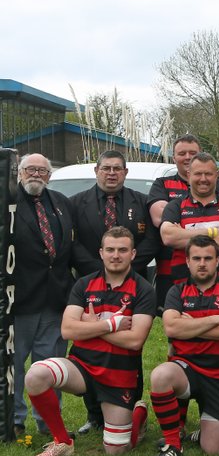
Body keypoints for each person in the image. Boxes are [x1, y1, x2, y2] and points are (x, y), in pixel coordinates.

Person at [25, 227, 156, 456]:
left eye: (123, 250)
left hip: (119, 375)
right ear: (101, 252)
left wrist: (90, 326)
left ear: (133, 254)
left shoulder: (144, 289)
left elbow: (135, 340)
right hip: (82, 367)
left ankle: (139, 415)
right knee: (36, 375)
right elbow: (67, 330)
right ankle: (62, 442)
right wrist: (111, 325)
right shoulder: (84, 285)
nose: (116, 255)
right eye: (110, 250)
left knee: (116, 451)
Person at [70, 149, 160, 435]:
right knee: (89, 349)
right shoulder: (76, 203)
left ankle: (132, 406)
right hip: (89, 282)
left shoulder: (142, 202)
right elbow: (72, 243)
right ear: (96, 171)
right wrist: (102, 267)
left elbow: (152, 241)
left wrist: (127, 263)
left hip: (132, 283)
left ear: (125, 173)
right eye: (106, 168)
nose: (111, 173)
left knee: (129, 347)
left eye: (117, 169)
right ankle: (94, 415)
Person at [149, 236, 219, 456]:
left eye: (208, 258)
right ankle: (173, 445)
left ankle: (204, 430)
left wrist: (192, 326)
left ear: (217, 261)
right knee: (160, 375)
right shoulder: (176, 291)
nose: (202, 263)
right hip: (187, 370)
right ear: (187, 261)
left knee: (213, 450)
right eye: (196, 258)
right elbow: (172, 327)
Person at [11, 153, 75, 437]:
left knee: (49, 365)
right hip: (18, 300)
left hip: (54, 299)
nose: (36, 175)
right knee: (13, 366)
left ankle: (48, 423)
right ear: (20, 173)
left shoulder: (61, 203)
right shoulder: (7, 203)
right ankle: (12, 420)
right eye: (30, 170)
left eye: (42, 170)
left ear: (49, 175)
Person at [148, 134, 219, 308]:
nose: (187, 157)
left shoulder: (217, 184)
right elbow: (158, 218)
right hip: (169, 269)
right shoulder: (162, 183)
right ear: (174, 157)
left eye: (192, 152)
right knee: (175, 318)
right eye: (182, 153)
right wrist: (212, 229)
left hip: (210, 268)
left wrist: (181, 228)